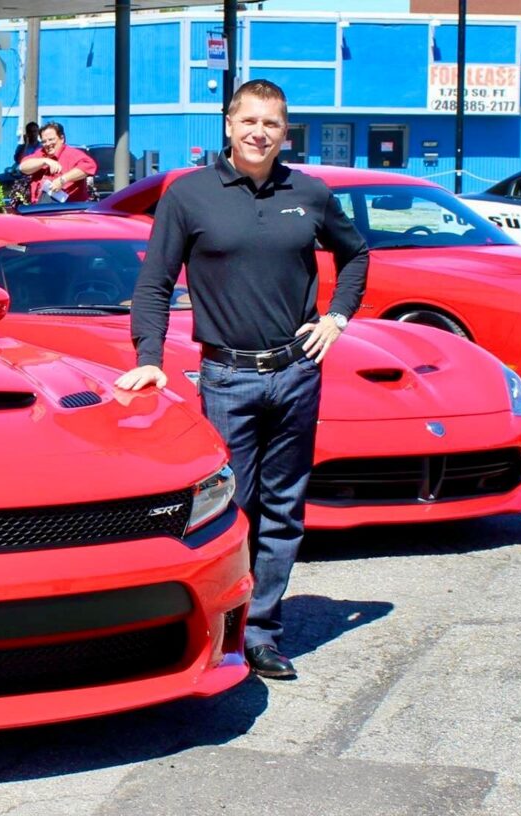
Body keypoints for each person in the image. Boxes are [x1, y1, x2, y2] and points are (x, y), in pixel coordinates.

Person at [116, 79, 368, 680]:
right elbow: (155, 283)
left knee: (284, 509)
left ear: (286, 132)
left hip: (297, 373)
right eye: (249, 121)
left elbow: (356, 255)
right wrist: (149, 354)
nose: (259, 133)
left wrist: (336, 318)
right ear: (228, 125)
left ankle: (261, 632)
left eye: (271, 124)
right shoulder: (188, 195)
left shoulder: (309, 193)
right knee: (232, 507)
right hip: (227, 377)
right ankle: (220, 623)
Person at [19, 122, 97, 203]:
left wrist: (62, 180)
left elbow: (90, 166)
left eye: (51, 139)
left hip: (67, 208)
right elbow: (23, 167)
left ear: (62, 138)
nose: (48, 144)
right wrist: (45, 161)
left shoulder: (72, 154)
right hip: (39, 207)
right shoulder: (41, 153)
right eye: (44, 141)